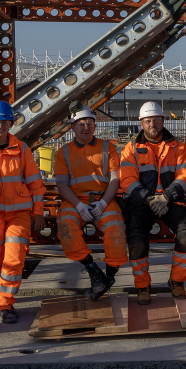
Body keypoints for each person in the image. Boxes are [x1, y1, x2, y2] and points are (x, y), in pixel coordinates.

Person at [0, 101, 46, 323]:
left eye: (4, 122)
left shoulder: (22, 149)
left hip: (19, 214)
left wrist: (38, 212)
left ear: (10, 124)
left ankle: (4, 304)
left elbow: (36, 183)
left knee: (14, 259)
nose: (0, 126)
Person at [119, 101, 186, 305]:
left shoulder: (177, 146)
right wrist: (149, 198)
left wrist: (167, 196)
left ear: (163, 121)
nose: (153, 124)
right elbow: (127, 179)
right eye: (148, 120)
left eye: (157, 120)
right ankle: (143, 286)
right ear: (141, 123)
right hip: (142, 203)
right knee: (137, 241)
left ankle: (176, 282)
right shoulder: (131, 148)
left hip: (171, 201)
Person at [54, 108, 125, 300]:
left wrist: (103, 202)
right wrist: (78, 205)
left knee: (115, 230)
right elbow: (61, 184)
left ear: (95, 126)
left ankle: (108, 279)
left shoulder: (107, 147)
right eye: (81, 124)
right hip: (75, 200)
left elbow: (115, 179)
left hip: (104, 199)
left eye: (90, 124)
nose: (86, 128)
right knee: (66, 227)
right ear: (72, 127)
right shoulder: (64, 152)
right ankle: (92, 269)